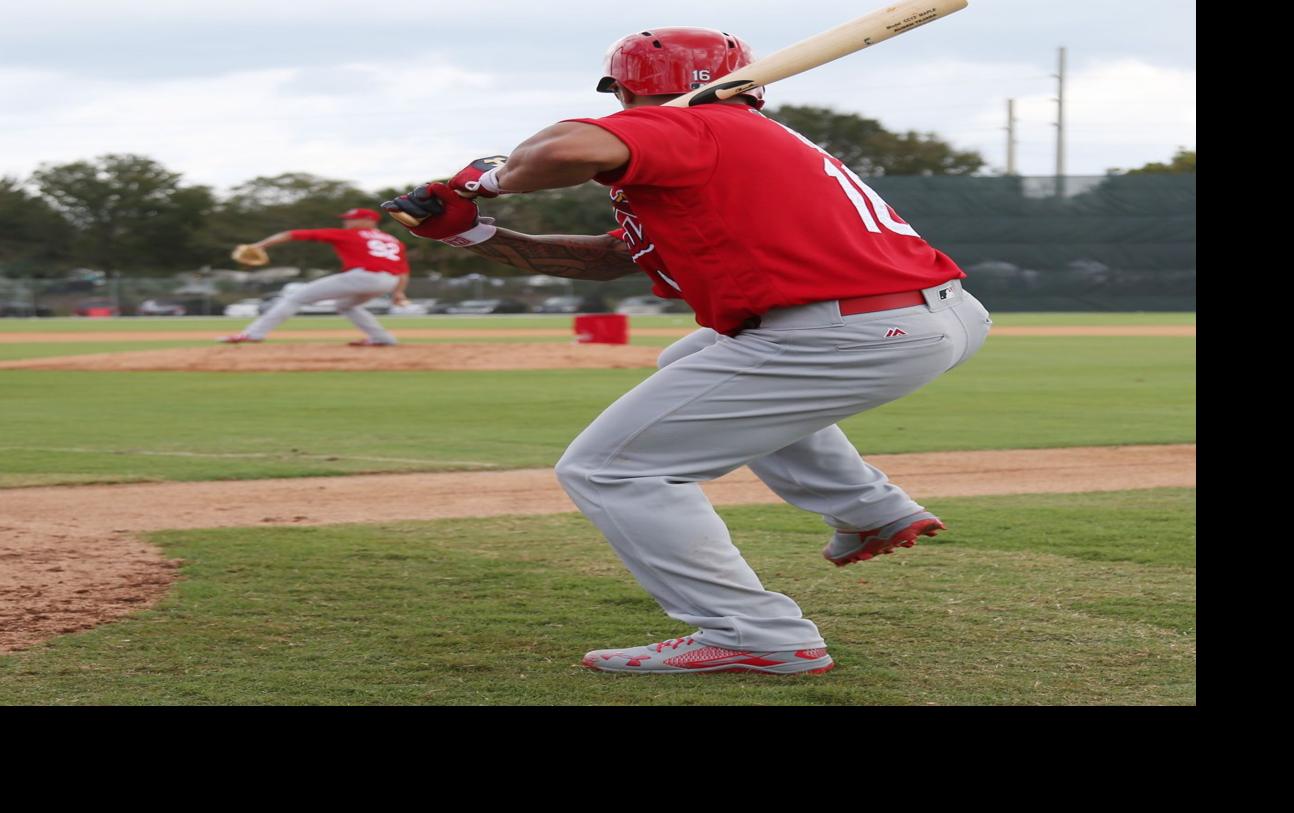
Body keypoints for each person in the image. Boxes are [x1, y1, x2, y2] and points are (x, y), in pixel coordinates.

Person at [383, 27, 992, 675]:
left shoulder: (696, 126)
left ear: (622, 91)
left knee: (611, 471)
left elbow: (562, 148)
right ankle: (869, 509)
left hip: (850, 328)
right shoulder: (737, 143)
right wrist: (473, 232)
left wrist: (494, 176)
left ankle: (755, 632)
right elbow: (613, 258)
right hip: (919, 315)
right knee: (691, 364)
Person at [219, 208, 412, 346]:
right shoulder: (394, 240)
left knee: (295, 297)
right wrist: (398, 293)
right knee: (345, 305)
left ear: (369, 221)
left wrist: (260, 245)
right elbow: (403, 270)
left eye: (351, 219)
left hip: (363, 276)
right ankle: (383, 338)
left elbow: (291, 234)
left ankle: (253, 334)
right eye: (347, 219)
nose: (347, 222)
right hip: (389, 281)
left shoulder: (349, 234)